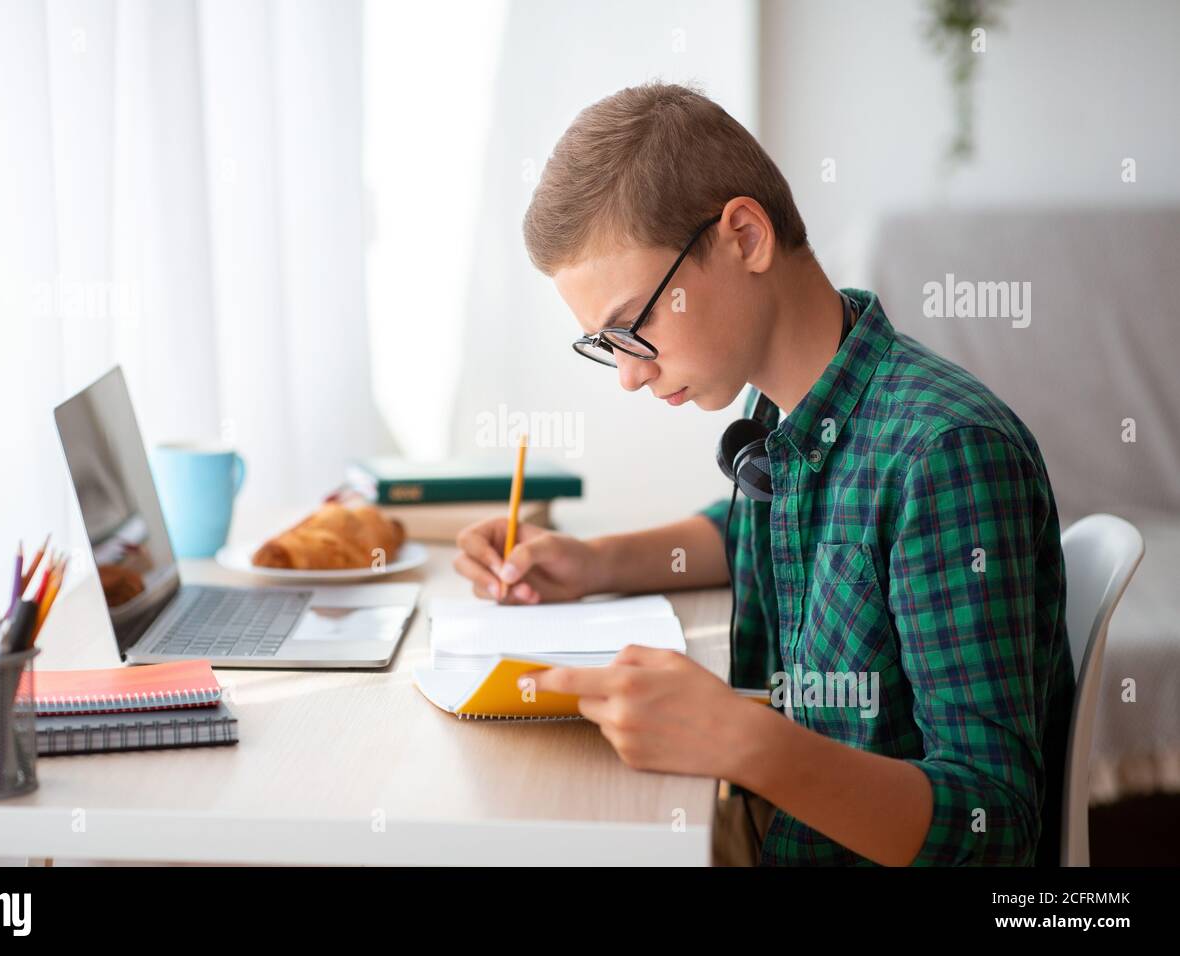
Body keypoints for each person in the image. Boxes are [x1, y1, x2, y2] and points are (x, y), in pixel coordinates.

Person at [453, 82, 1074, 866]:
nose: (628, 376)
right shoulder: (791, 407)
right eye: (603, 345)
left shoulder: (945, 457)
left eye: (632, 328)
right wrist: (593, 561)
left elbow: (994, 826)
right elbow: (750, 526)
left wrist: (746, 742)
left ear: (745, 236)